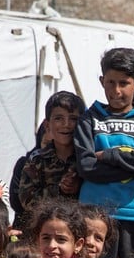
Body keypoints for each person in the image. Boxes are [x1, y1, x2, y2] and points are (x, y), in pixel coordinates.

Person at [75, 47, 134, 258]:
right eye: (110, 82)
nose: (116, 91)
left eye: (123, 83)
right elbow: (86, 167)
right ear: (102, 80)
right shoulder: (90, 118)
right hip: (95, 217)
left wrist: (109, 155)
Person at [15, 91, 83, 230]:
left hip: (79, 228)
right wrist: (59, 189)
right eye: (58, 118)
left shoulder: (85, 159)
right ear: (47, 125)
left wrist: (79, 187)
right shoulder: (37, 160)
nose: (66, 124)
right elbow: (26, 200)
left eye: (73, 119)